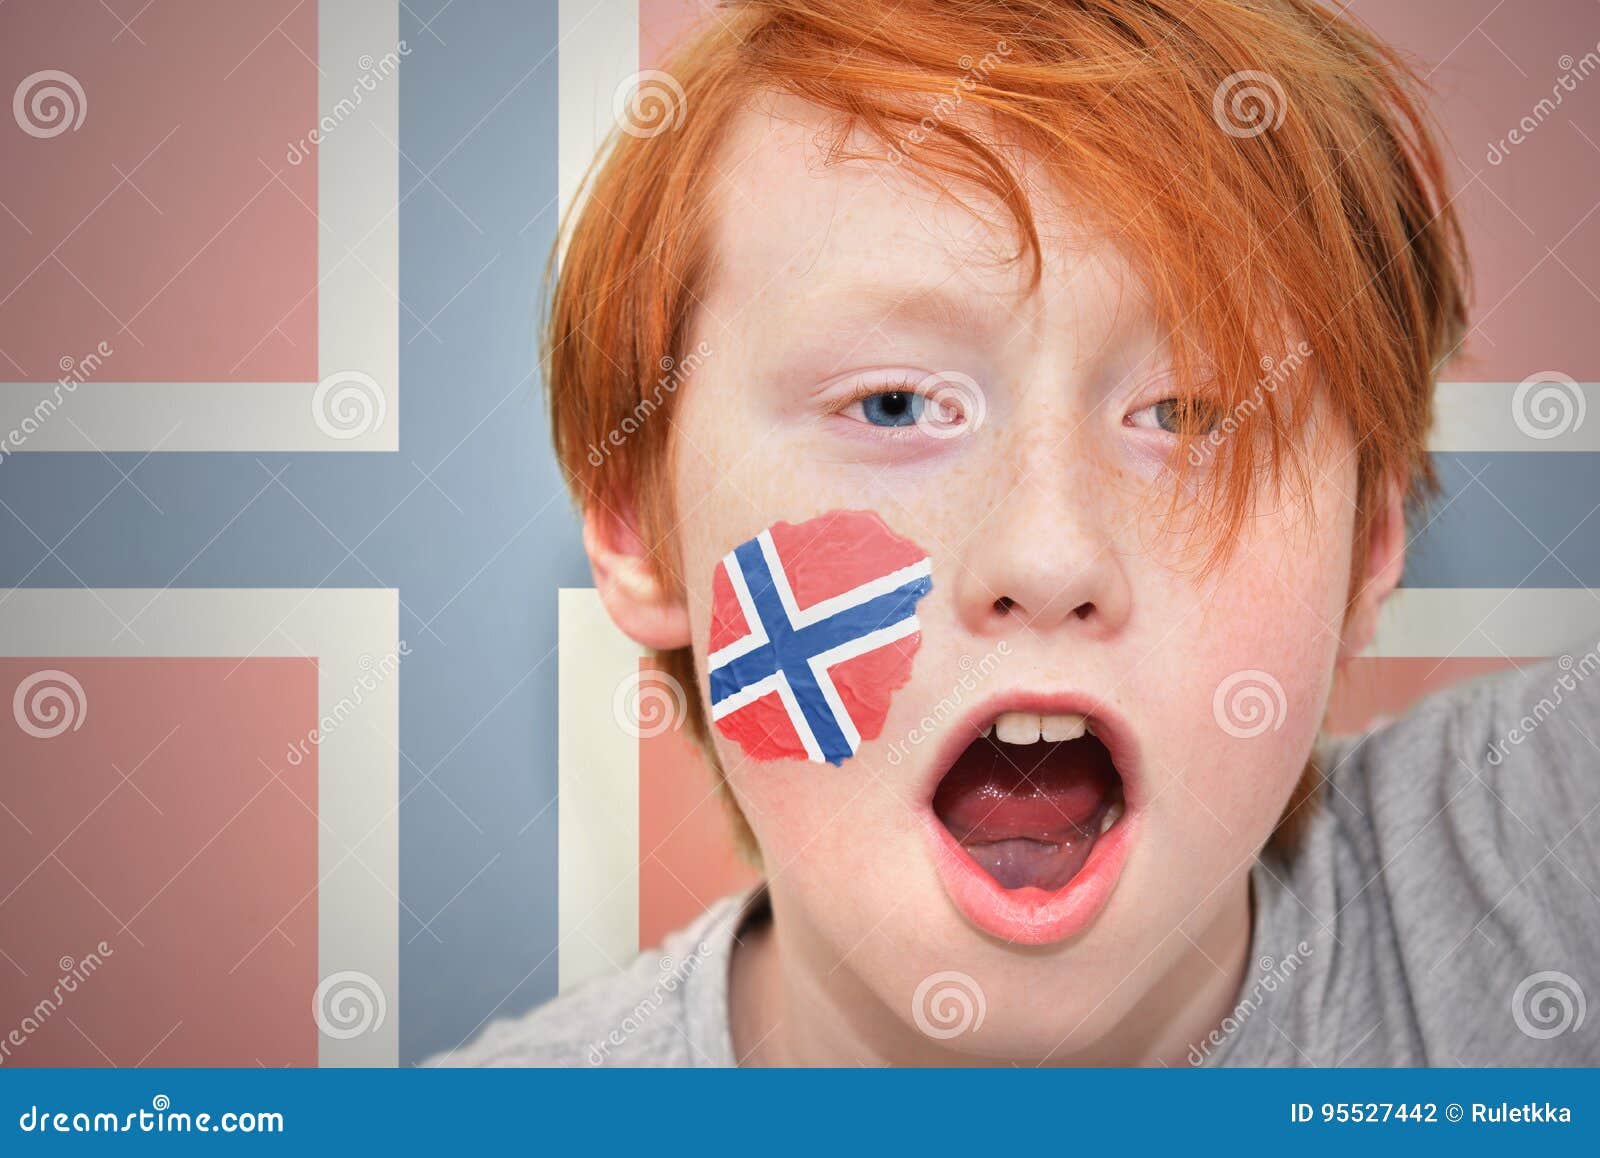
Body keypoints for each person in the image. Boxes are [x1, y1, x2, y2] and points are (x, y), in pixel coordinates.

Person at [434, 0, 1599, 1066]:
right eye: (891, 404)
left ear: (1368, 543)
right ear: (641, 530)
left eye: (1190, 414)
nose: (1047, 558)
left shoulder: (1543, 858)